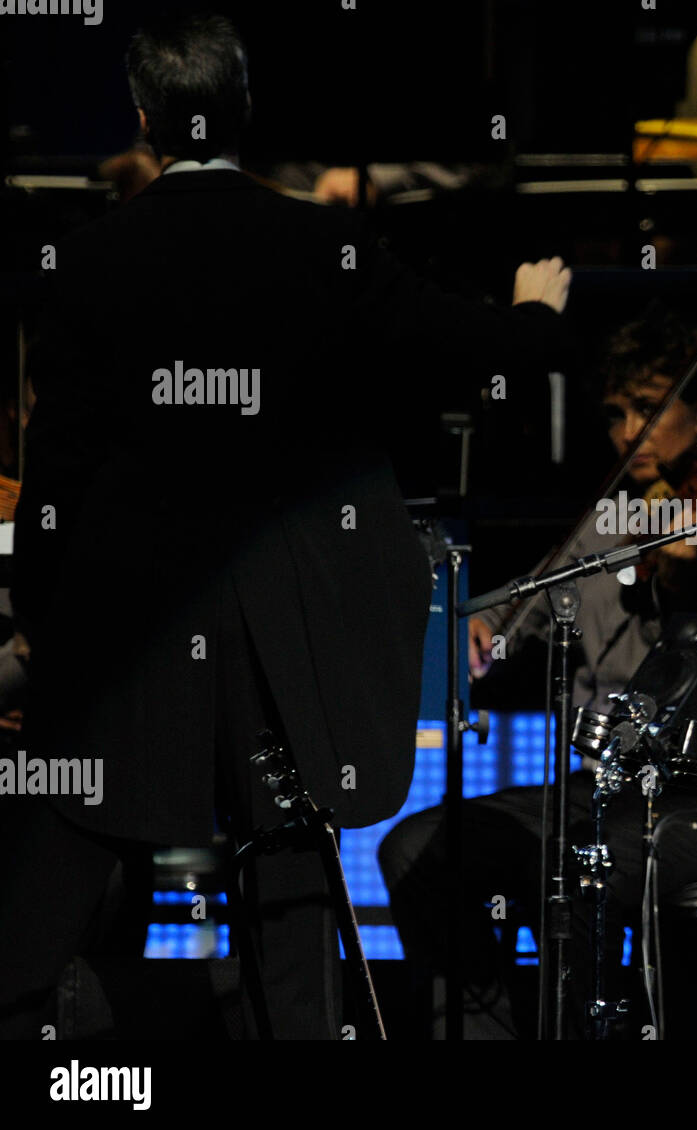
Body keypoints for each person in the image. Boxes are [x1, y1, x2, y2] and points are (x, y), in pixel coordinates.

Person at [0, 12, 572, 1040]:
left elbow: (59, 471)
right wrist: (535, 314)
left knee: (54, 886)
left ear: (143, 117)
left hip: (130, 642)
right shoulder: (324, 244)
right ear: (248, 111)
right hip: (284, 642)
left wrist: (42, 617)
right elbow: (463, 342)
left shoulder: (86, 262)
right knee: (291, 896)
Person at [379, 303, 697, 1038]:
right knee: (416, 850)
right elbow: (517, 612)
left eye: (647, 409)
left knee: (581, 866)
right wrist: (478, 630)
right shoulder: (607, 521)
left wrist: (684, 572)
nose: (628, 433)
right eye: (614, 414)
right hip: (593, 787)